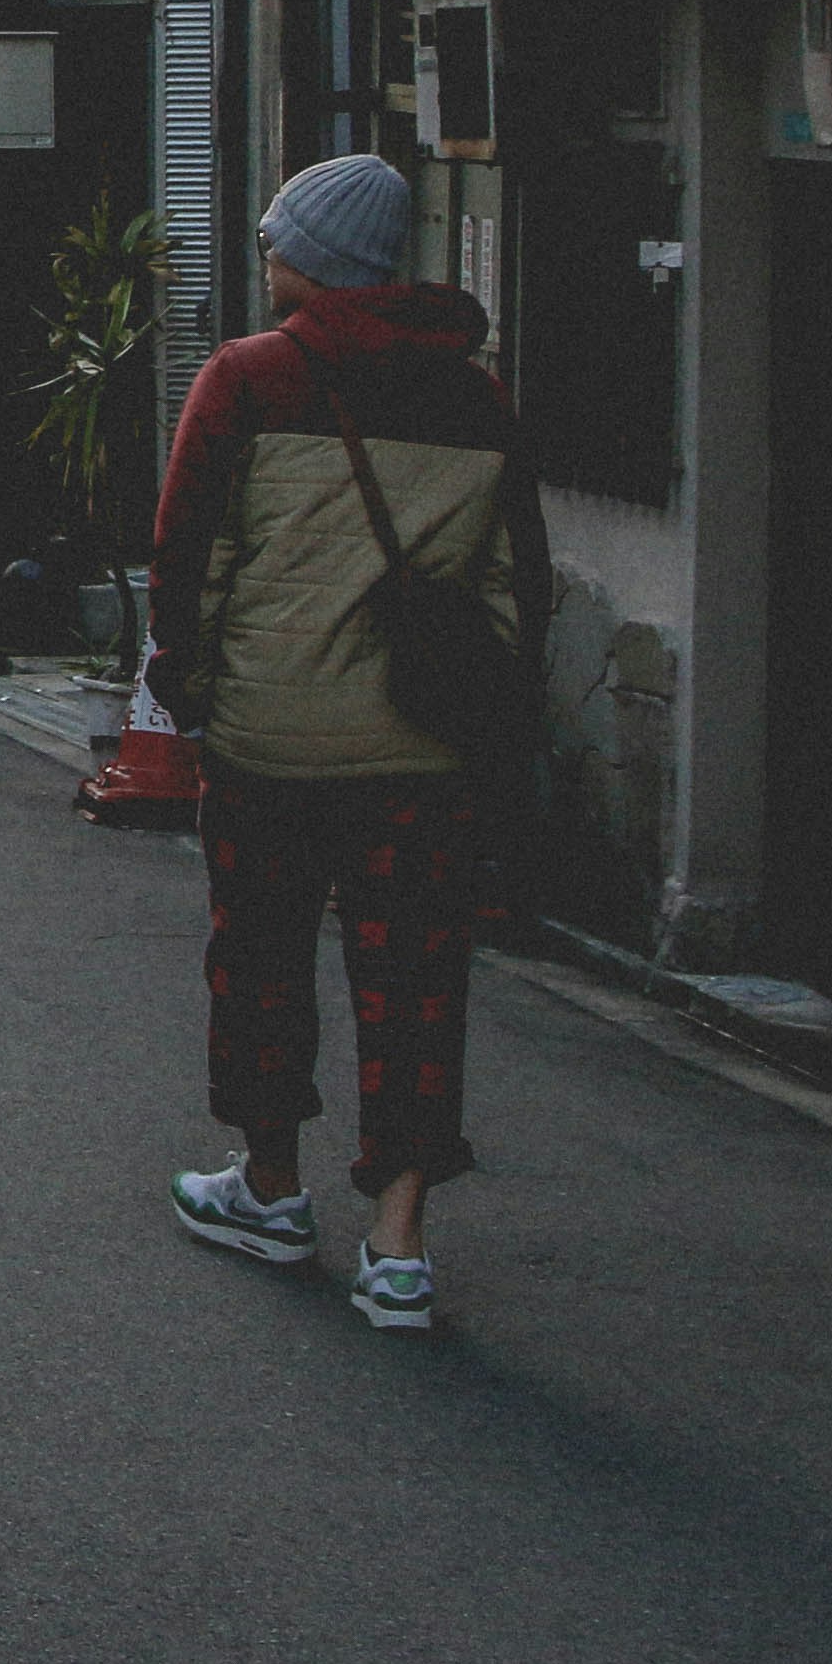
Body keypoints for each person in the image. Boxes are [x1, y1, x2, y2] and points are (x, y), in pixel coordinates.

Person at [144, 152, 550, 1334]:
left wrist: (194, 682)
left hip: (271, 743)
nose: (268, 251)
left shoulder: (252, 380)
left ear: (309, 261)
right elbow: (516, 586)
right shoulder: (476, 403)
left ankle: (271, 1189)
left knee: (262, 963)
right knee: (417, 982)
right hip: (422, 752)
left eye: (279, 237)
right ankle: (401, 1244)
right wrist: (488, 715)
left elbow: (189, 556)